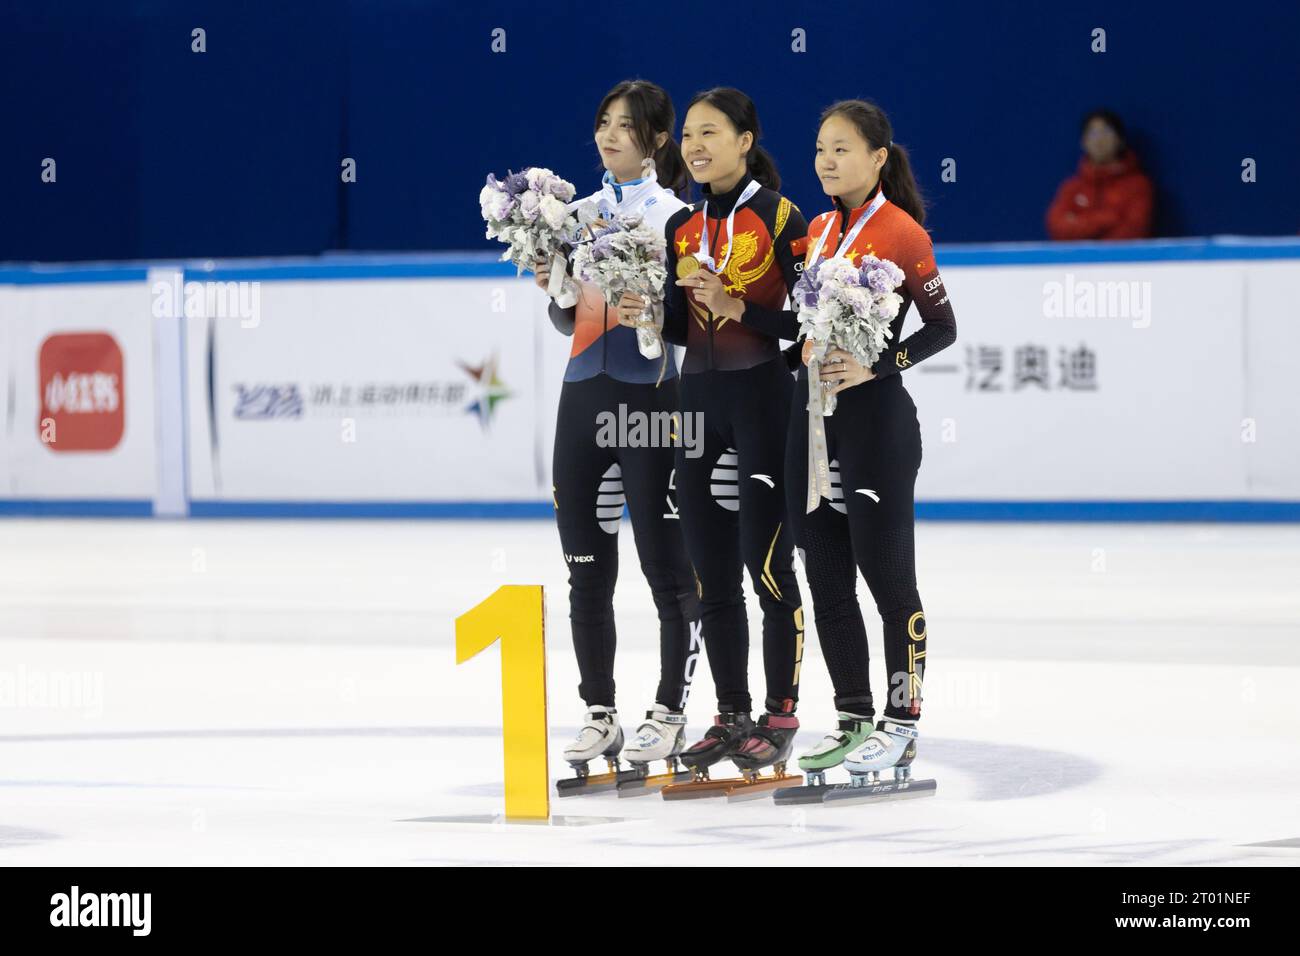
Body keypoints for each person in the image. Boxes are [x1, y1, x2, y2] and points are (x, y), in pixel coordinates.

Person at [617, 87, 808, 780]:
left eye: (710, 134)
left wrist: (743, 309)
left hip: (762, 402)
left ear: (745, 139)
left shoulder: (785, 218)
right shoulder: (682, 228)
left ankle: (781, 715)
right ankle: (731, 714)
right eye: (689, 136)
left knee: (767, 566)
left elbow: (812, 325)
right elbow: (681, 325)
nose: (695, 146)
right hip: (695, 408)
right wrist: (646, 314)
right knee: (711, 573)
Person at [783, 99, 956, 784]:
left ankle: (903, 726)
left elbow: (942, 328)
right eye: (821, 148)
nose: (827, 160)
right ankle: (854, 719)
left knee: (889, 583)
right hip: (814, 429)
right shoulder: (818, 230)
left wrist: (877, 365)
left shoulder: (903, 232)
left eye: (843, 148)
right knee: (825, 579)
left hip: (878, 426)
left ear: (878, 158)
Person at [536, 80, 700, 781]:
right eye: (603, 122)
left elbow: (698, 328)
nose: (609, 135)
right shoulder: (577, 214)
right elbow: (568, 321)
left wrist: (654, 317)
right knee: (584, 570)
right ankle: (599, 713)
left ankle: (668, 709)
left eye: (626, 126)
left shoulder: (677, 217)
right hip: (581, 396)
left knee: (665, 567)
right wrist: (558, 289)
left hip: (653, 401)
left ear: (658, 140)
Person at [1047, 108, 1153, 240]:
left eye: (1106, 132)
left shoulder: (1137, 186)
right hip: (1077, 260)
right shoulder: (1072, 188)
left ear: (1120, 140)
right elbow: (1058, 228)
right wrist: (1107, 219)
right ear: (1084, 142)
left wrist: (1080, 222)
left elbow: (1134, 230)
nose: (1099, 140)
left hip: (1119, 260)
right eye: (1093, 133)